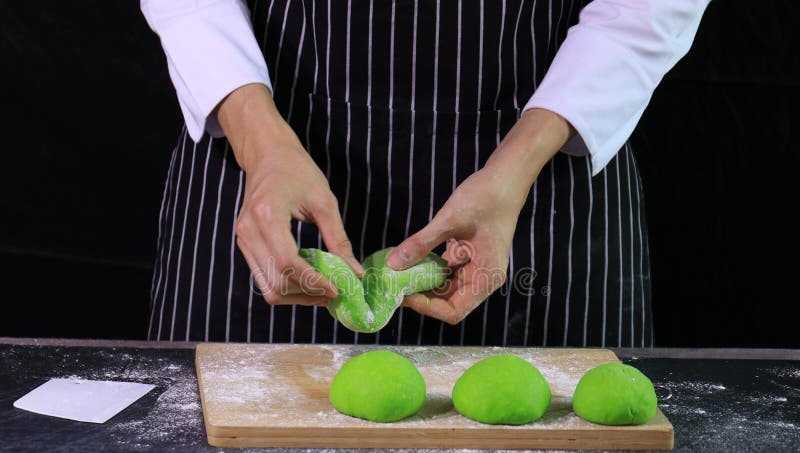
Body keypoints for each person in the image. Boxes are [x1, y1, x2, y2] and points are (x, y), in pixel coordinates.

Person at [141, 0, 709, 346]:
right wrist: (259, 141)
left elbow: (647, 9)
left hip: (542, 178)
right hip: (270, 162)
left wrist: (518, 164)